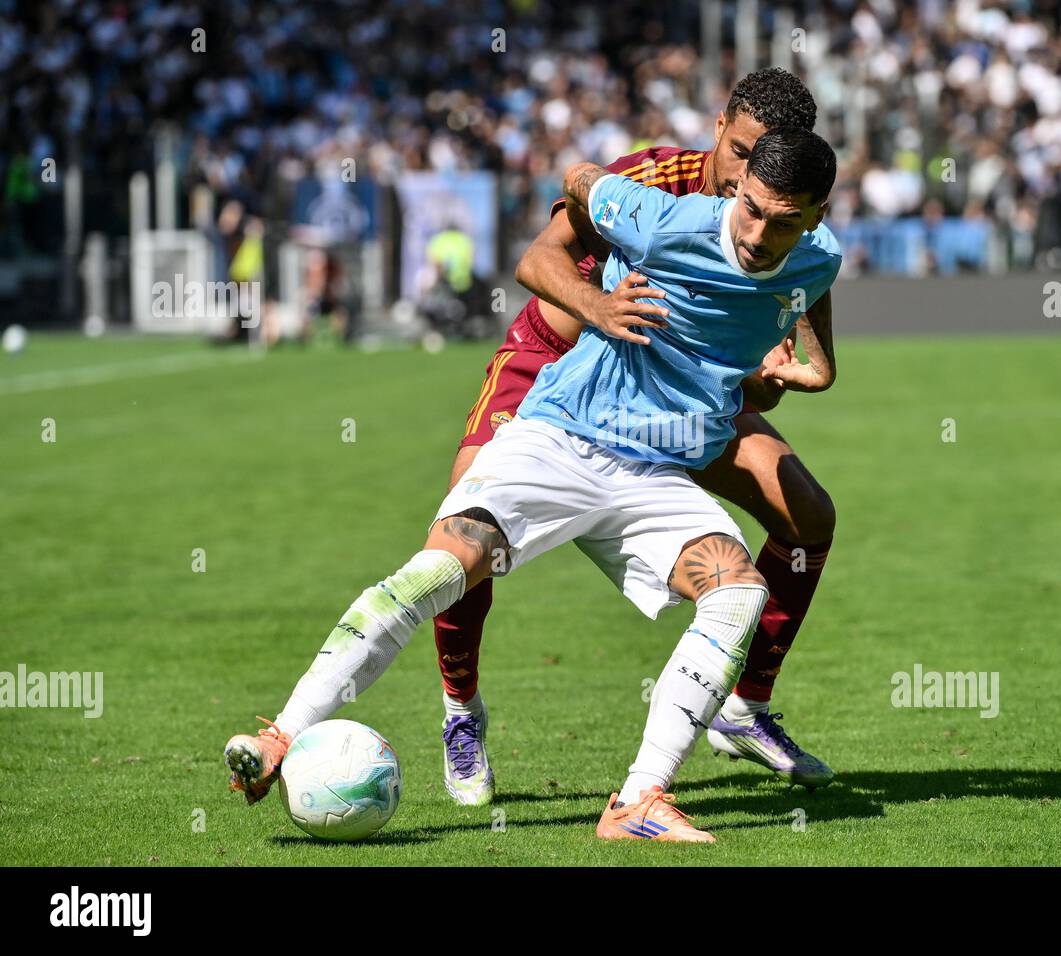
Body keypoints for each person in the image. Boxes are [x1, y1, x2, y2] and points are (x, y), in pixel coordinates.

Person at [225, 126, 841, 843]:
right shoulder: (662, 219)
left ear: (816, 217)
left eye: (784, 221)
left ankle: (637, 802)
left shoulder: (818, 255)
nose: (761, 234)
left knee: (737, 593)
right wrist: (594, 299)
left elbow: (812, 284)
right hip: (559, 437)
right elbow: (579, 179)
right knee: (441, 569)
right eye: (752, 210)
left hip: (651, 474)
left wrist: (820, 365)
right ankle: (282, 734)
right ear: (738, 190)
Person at [437, 68, 839, 806]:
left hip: (672, 392)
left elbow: (801, 285)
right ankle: (461, 711)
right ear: (719, 127)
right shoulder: (652, 175)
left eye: (766, 166)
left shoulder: (771, 216)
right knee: (467, 538)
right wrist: (597, 306)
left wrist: (779, 369)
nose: (748, 179)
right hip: (554, 364)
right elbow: (537, 261)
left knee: (808, 517)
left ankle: (744, 706)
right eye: (741, 152)